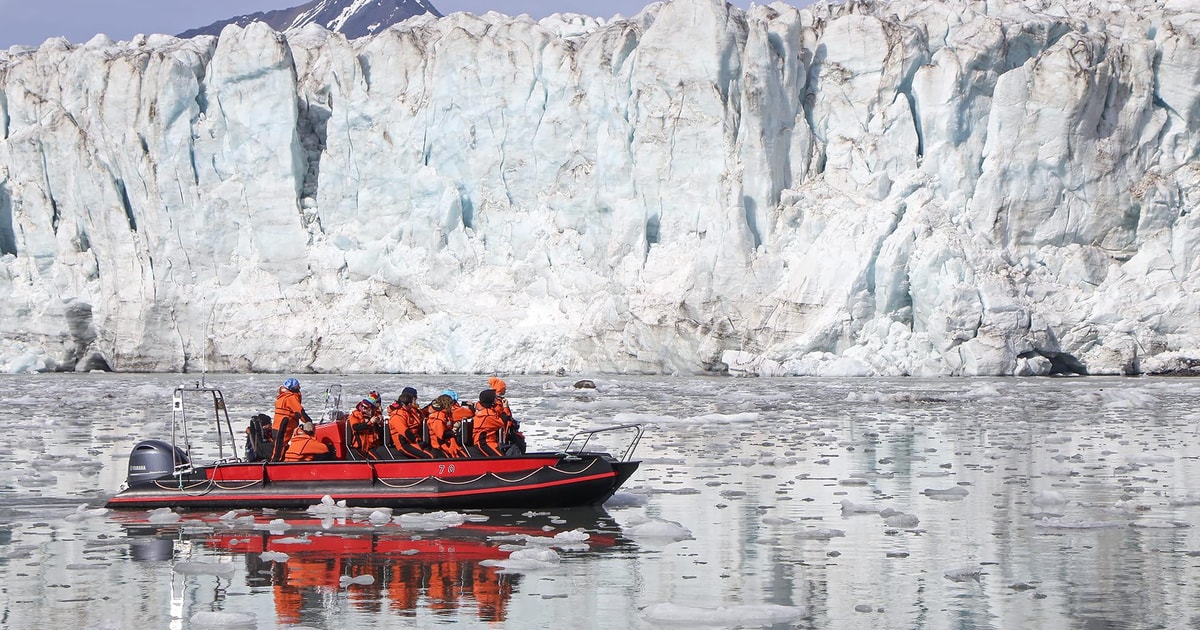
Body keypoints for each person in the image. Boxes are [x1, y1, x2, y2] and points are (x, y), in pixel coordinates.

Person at [380, 387, 437, 459]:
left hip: (414, 441)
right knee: (430, 456)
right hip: (405, 444)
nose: (415, 401)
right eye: (413, 399)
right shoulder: (397, 415)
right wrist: (417, 441)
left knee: (435, 452)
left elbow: (421, 415)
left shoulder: (410, 411)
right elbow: (405, 432)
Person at [271, 378, 312, 462]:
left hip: (276, 426)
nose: (299, 388)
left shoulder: (281, 397)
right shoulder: (290, 398)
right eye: (298, 387)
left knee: (279, 445)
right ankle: (275, 464)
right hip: (283, 427)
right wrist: (308, 421)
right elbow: (299, 411)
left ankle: (278, 461)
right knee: (280, 446)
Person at [426, 390, 471, 458]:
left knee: (464, 454)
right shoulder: (437, 417)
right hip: (440, 446)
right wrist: (453, 432)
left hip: (449, 443)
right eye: (450, 404)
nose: (452, 406)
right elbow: (441, 435)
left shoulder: (447, 415)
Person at [488, 377, 525, 455]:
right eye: (504, 388)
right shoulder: (497, 403)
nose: (505, 390)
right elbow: (504, 417)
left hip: (505, 430)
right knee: (517, 444)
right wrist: (505, 407)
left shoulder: (499, 401)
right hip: (501, 432)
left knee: (519, 441)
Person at [471, 389, 508, 457]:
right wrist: (505, 407)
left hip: (490, 441)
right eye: (495, 397)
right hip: (484, 442)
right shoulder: (488, 414)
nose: (497, 399)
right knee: (501, 459)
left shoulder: (488, 411)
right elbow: (503, 422)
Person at [346, 391, 384, 457]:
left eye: (366, 407)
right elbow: (356, 427)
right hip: (362, 447)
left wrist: (379, 424)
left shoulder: (374, 415)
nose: (363, 408)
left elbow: (379, 433)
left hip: (373, 446)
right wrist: (370, 423)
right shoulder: (355, 415)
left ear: (371, 409)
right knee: (379, 460)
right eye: (362, 406)